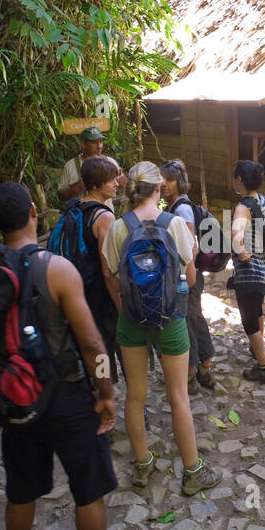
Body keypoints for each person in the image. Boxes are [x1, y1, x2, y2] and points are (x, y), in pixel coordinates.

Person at [0, 181, 145, 530]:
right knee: (87, 488)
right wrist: (106, 392)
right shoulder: (57, 270)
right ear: (34, 212)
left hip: (17, 398)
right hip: (69, 396)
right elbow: (93, 346)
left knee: (21, 489)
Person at [101, 161, 221, 495]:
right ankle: (192, 471)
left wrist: (126, 310)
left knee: (135, 396)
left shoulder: (117, 227)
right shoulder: (176, 224)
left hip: (131, 321)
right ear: (159, 189)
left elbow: (110, 274)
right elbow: (192, 279)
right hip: (171, 320)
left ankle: (142, 465)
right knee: (178, 397)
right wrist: (192, 257)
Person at [159, 160, 216, 395]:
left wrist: (184, 276)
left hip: (187, 277)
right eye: (162, 180)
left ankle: (192, 374)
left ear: (179, 182)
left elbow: (190, 246)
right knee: (195, 317)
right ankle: (204, 369)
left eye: (169, 180)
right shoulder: (177, 206)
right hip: (189, 275)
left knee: (188, 321)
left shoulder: (181, 209)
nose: (164, 185)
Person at [79, 154, 124, 383]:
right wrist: (121, 304)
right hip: (102, 295)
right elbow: (108, 270)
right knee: (121, 347)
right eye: (111, 180)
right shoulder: (103, 217)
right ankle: (133, 399)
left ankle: (100, 391)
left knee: (98, 348)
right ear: (96, 185)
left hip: (83, 291)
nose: (116, 183)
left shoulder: (77, 208)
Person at [230, 160, 265, 384]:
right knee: (257, 311)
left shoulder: (242, 207)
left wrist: (242, 253)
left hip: (250, 274)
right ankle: (257, 350)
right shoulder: (262, 200)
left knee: (249, 321)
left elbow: (236, 233)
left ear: (239, 180)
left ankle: (263, 367)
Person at [57, 126, 105, 202]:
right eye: (94, 143)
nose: (99, 146)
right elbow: (60, 196)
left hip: (105, 213)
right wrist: (76, 189)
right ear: (83, 144)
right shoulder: (70, 166)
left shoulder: (109, 162)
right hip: (80, 212)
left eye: (100, 142)